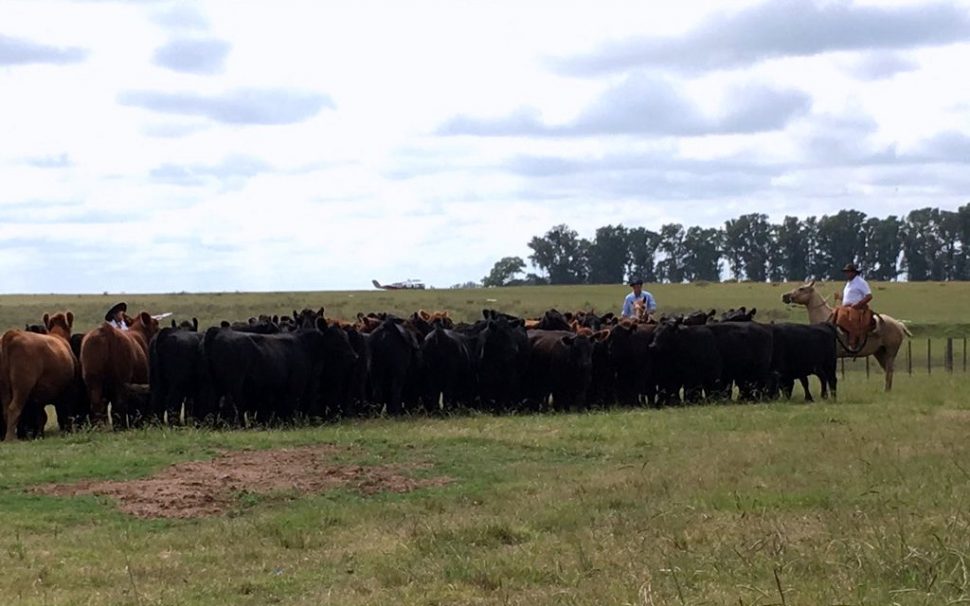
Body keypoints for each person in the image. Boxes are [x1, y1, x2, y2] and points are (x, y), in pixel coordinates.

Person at [834, 263, 873, 349]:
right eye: (846, 272)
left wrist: (858, 304)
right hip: (846, 307)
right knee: (834, 313)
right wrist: (839, 297)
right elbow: (848, 298)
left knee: (851, 319)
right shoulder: (848, 283)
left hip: (857, 308)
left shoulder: (861, 282)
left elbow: (869, 296)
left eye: (848, 272)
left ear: (854, 273)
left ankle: (853, 341)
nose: (846, 274)